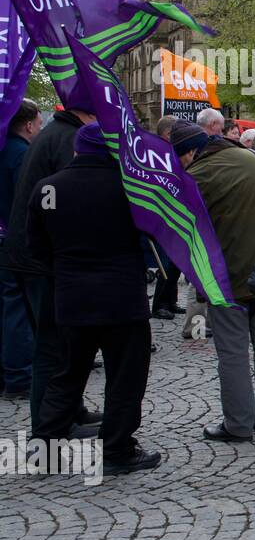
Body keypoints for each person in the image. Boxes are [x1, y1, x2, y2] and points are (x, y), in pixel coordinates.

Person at [27, 124, 159, 475]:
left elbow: (35, 246)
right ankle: (117, 450)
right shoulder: (131, 189)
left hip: (72, 297)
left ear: (77, 149)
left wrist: (64, 270)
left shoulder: (49, 188)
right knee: (125, 378)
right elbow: (151, 239)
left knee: (66, 374)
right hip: (122, 299)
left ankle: (45, 447)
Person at [172, 120, 255, 442]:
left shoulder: (197, 176)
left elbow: (185, 228)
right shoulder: (250, 158)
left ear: (191, 151)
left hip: (229, 276)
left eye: (179, 157)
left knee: (233, 351)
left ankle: (238, 424)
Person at [0, 101, 102, 432]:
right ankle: (50, 425)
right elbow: (65, 202)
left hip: (34, 258)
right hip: (42, 263)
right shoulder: (66, 139)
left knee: (62, 346)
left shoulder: (56, 134)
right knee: (52, 347)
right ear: (86, 113)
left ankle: (68, 411)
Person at [0, 100, 40, 399]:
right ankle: (19, 376)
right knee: (17, 306)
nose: (40, 128)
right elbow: (26, 203)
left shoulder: (5, 150)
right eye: (39, 123)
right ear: (28, 125)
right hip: (14, 243)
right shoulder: (22, 155)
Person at [149, 115, 184, 321]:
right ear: (169, 134)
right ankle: (160, 303)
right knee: (168, 261)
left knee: (176, 261)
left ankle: (170, 300)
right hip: (164, 213)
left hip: (173, 211)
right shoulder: (158, 151)